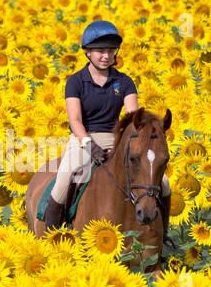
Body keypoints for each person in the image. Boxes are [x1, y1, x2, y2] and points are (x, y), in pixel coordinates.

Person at [45, 19, 148, 229]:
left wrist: (133, 143)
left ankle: (161, 236)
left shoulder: (125, 82)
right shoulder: (75, 81)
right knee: (63, 182)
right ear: (88, 53)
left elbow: (132, 116)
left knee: (161, 182)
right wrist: (88, 145)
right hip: (84, 138)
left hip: (116, 139)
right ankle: (51, 236)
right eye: (100, 50)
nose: (106, 56)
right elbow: (75, 120)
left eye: (110, 51)